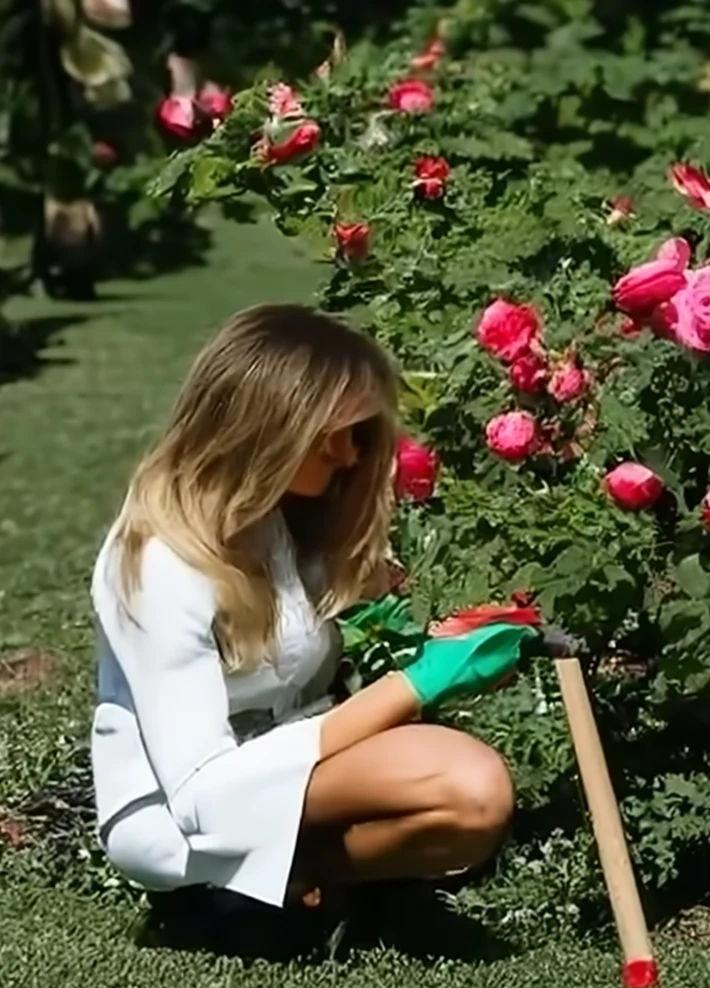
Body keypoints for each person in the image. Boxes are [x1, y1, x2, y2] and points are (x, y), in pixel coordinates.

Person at [89, 304, 536, 952]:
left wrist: (428, 629)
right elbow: (202, 795)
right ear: (268, 432)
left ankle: (288, 891)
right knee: (465, 784)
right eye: (333, 435)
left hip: (288, 752)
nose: (350, 453)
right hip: (182, 813)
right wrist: (421, 682)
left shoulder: (267, 519)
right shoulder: (159, 567)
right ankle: (223, 898)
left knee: (470, 808)